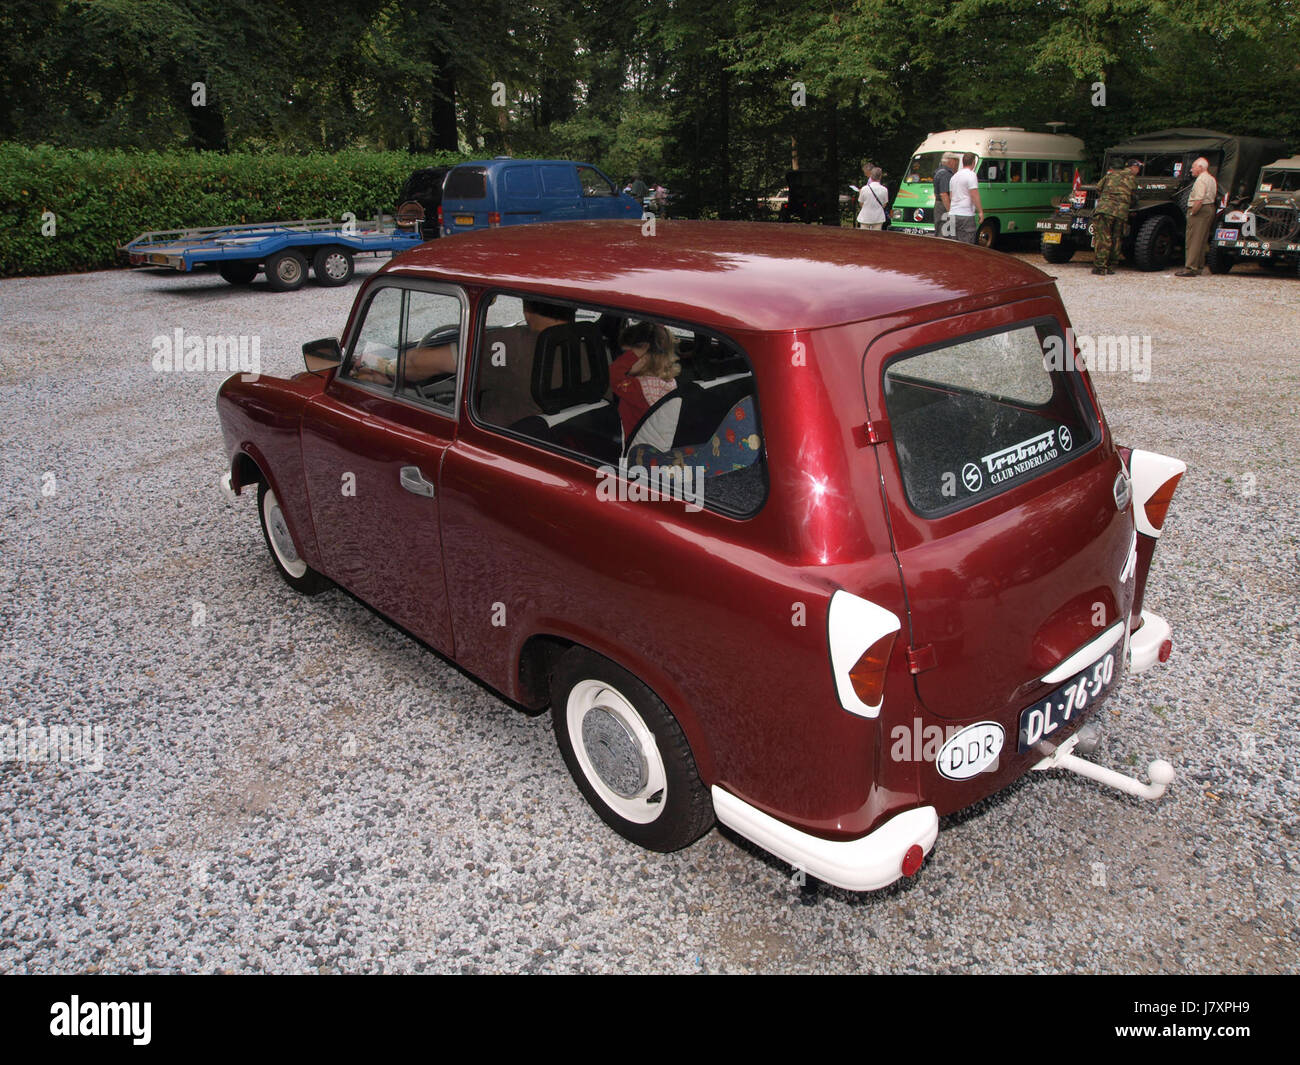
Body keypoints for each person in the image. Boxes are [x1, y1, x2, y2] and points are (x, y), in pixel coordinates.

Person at [610, 321, 680, 444]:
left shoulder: (639, 388)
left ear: (644, 358)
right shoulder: (668, 382)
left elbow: (612, 376)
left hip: (634, 449)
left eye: (627, 354)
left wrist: (633, 355)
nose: (621, 359)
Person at [1091, 158, 1141, 275]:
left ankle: (1100, 266)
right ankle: (1111, 265)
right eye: (1138, 168)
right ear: (1133, 167)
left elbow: (1098, 188)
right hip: (1120, 213)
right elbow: (1134, 196)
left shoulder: (1111, 175)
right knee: (1116, 238)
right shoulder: (1133, 180)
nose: (1138, 170)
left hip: (1105, 210)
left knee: (1103, 238)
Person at [1176, 156, 1218, 277]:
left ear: (1200, 167)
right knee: (1202, 239)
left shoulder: (1201, 180)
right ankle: (1199, 266)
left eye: (1193, 167)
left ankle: (1190, 268)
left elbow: (1199, 200)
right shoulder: (1211, 179)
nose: (1191, 170)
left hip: (1200, 210)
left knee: (1193, 239)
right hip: (1209, 208)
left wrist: (1192, 212)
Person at [947, 152, 983, 244]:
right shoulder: (971, 175)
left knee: (953, 244)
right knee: (967, 245)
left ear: (963, 162)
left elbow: (951, 196)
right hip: (966, 215)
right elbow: (974, 194)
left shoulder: (954, 177)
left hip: (953, 214)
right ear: (973, 162)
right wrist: (980, 212)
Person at [932, 152, 958, 238]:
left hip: (939, 205)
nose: (957, 164)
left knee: (940, 231)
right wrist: (951, 212)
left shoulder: (938, 171)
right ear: (951, 161)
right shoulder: (946, 174)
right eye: (956, 161)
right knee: (945, 234)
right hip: (944, 206)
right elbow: (944, 194)